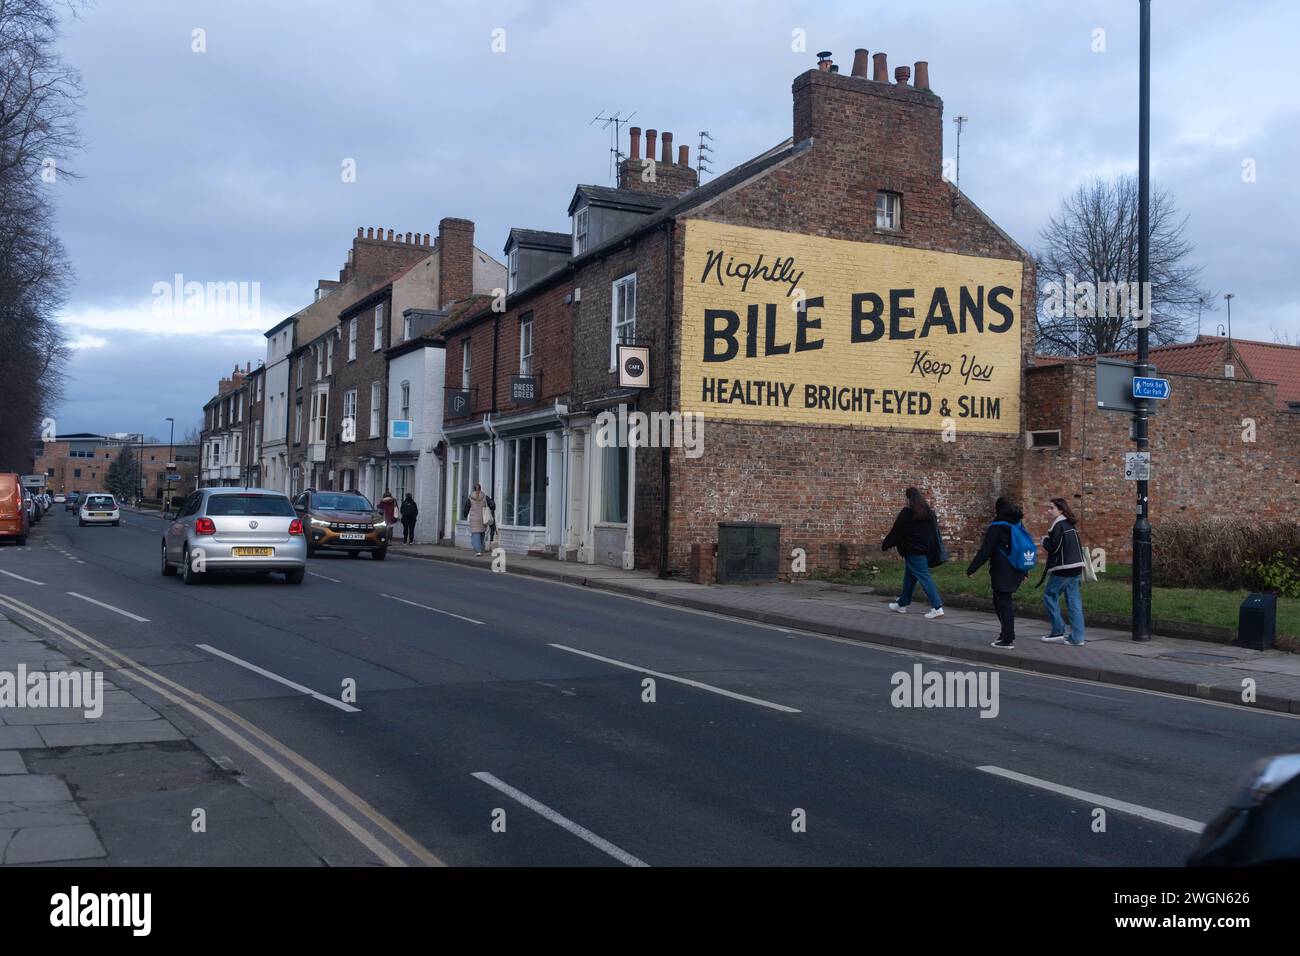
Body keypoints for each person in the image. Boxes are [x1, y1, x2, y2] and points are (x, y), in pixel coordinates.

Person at [967, 496, 1028, 648]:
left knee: (1004, 603)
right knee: (999, 601)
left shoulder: (997, 527)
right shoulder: (1018, 525)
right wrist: (1025, 571)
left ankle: (1007, 639)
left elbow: (985, 550)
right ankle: (1005, 632)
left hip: (1002, 570)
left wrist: (972, 569)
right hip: (1017, 568)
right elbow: (1023, 548)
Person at [881, 486, 944, 619]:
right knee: (909, 578)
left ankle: (937, 606)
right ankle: (902, 604)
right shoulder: (929, 513)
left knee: (924, 578)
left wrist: (886, 544)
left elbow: (897, 531)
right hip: (925, 551)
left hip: (912, 551)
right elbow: (934, 534)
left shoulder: (907, 513)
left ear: (908, 498)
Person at [1038, 497, 1087, 645]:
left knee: (1049, 596)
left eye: (1051, 508)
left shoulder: (1059, 525)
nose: (1048, 511)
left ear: (1060, 510)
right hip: (1076, 567)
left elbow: (1054, 548)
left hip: (1063, 568)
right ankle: (1077, 637)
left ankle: (1058, 630)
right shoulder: (1069, 525)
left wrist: (1044, 541)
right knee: (1074, 602)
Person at [465, 483, 495, 556]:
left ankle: (478, 550)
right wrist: (492, 508)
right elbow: (492, 505)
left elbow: (466, 508)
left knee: (475, 534)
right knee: (482, 533)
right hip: (482, 518)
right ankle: (481, 548)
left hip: (474, 519)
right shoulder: (485, 497)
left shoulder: (470, 497)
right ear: (480, 489)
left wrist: (465, 515)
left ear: (474, 489)